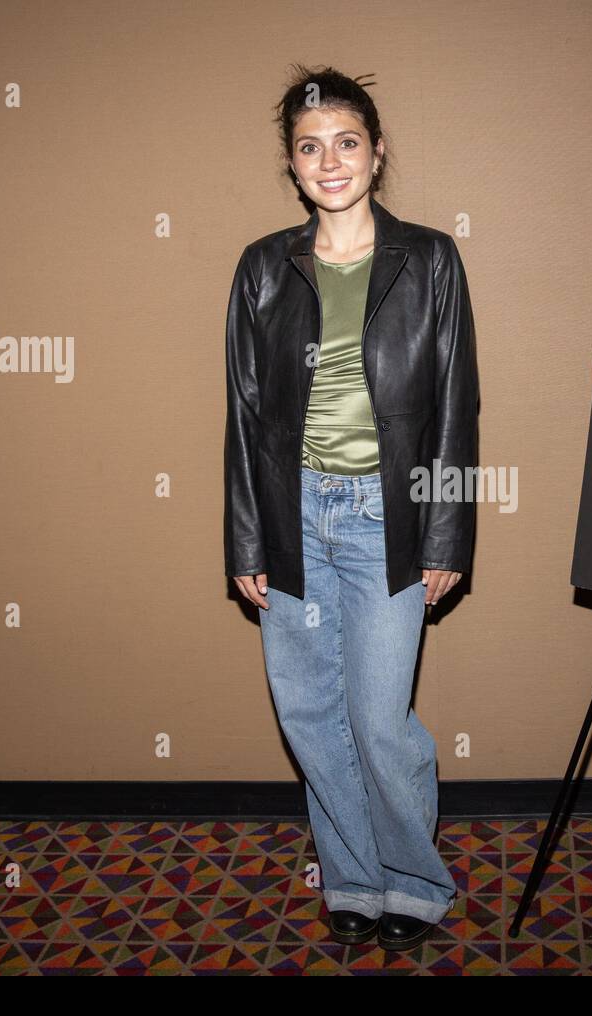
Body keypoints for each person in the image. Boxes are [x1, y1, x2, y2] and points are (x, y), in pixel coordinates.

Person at [223, 66, 479, 952]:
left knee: (377, 718)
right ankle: (352, 876)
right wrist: (247, 536)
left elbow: (456, 405)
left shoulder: (431, 258)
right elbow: (245, 413)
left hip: (387, 517)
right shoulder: (262, 267)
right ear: (292, 166)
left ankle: (412, 880)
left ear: (375, 154)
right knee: (308, 712)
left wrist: (445, 528)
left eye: (345, 142)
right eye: (308, 147)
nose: (327, 161)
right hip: (293, 516)